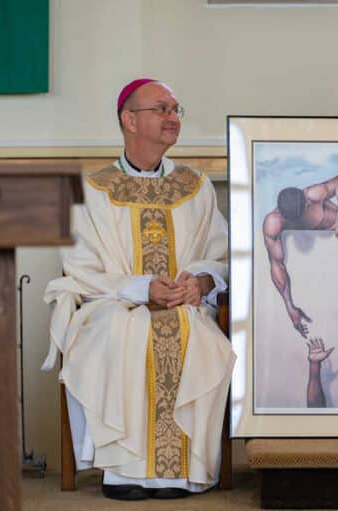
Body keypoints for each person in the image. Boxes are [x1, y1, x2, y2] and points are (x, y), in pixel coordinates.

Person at [42, 78, 235, 500]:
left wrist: (199, 282)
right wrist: (141, 288)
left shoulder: (196, 186)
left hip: (185, 306)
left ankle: (179, 473)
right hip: (113, 304)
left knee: (192, 334)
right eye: (161, 108)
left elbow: (220, 254)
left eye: (175, 109)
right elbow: (80, 269)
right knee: (122, 331)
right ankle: (123, 471)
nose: (172, 117)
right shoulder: (90, 190)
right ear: (129, 120)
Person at [262, 174, 338, 337]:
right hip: (319, 271)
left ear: (306, 204)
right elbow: (276, 264)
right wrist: (290, 307)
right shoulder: (274, 222)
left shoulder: (313, 195)